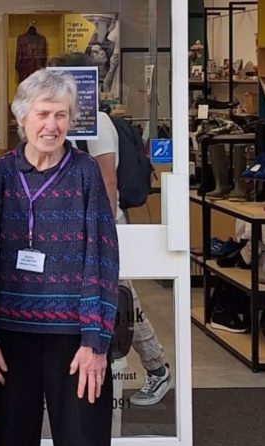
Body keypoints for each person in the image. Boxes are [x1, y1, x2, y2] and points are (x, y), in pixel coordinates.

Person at [0, 68, 119, 446]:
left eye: (61, 115)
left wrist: (95, 341)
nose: (52, 125)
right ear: (22, 118)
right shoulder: (0, 174)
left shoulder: (84, 173)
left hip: (73, 345)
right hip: (13, 345)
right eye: (43, 114)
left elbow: (102, 254)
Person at [49, 52, 172, 406]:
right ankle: (152, 369)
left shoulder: (97, 123)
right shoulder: (70, 122)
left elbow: (107, 181)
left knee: (122, 300)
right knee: (119, 299)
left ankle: (157, 369)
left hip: (103, 227)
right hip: (80, 226)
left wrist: (97, 232)